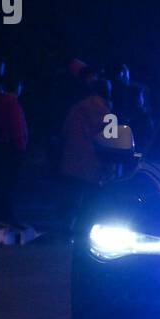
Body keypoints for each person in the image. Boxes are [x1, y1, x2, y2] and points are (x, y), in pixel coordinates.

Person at [59, 78, 112, 227]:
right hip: (94, 166)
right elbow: (111, 144)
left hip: (71, 161)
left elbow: (65, 131)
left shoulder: (77, 108)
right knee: (89, 207)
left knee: (70, 201)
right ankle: (82, 233)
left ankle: (66, 229)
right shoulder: (108, 114)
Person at [0, 73, 29, 227]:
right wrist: (19, 145)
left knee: (4, 182)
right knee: (9, 183)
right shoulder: (11, 103)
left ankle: (5, 213)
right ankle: (7, 215)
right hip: (12, 149)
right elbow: (16, 127)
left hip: (5, 147)